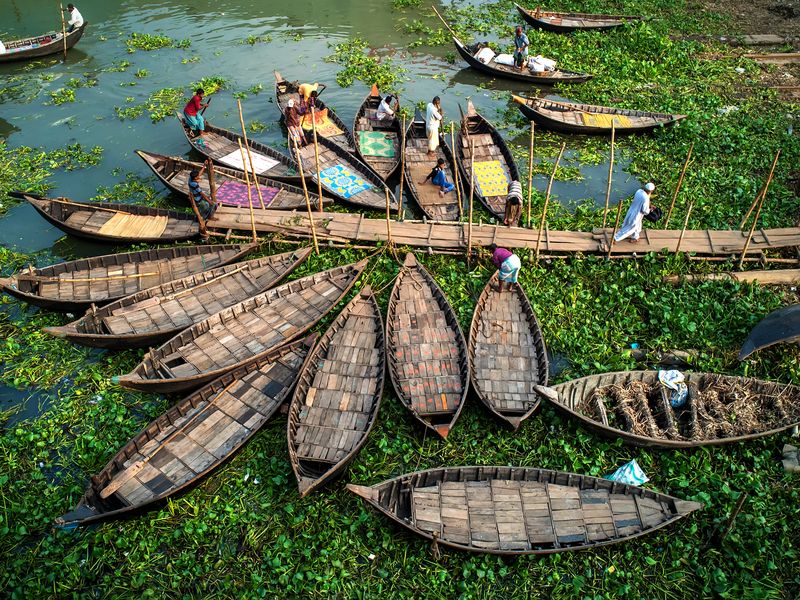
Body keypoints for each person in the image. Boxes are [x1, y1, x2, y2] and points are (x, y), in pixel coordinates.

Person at [187, 161, 217, 238]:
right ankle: (208, 218)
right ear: (195, 178)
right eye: (198, 177)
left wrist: (204, 166)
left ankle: (207, 216)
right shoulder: (194, 184)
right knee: (212, 205)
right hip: (198, 200)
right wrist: (209, 201)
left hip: (198, 198)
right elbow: (202, 194)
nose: (199, 177)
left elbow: (199, 174)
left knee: (209, 206)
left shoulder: (191, 179)